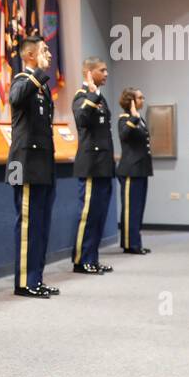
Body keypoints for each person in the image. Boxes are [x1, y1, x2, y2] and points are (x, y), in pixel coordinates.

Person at [6, 37, 58, 298]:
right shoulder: (22, 80)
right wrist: (38, 73)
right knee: (28, 223)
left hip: (44, 163)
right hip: (25, 164)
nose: (49, 53)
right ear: (28, 55)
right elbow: (16, 98)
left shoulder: (41, 86)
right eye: (44, 50)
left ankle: (36, 277)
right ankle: (25, 282)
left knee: (41, 224)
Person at [70, 57, 115, 275]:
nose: (106, 74)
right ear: (89, 72)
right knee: (87, 215)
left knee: (99, 215)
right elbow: (81, 119)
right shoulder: (82, 96)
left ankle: (93, 257)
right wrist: (92, 94)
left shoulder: (100, 99)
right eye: (102, 70)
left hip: (103, 165)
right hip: (90, 164)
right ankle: (81, 260)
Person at [116, 88, 152, 254]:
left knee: (138, 208)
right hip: (130, 169)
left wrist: (136, 117)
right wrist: (133, 117)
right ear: (130, 101)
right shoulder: (125, 119)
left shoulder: (139, 118)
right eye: (139, 97)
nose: (142, 100)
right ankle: (131, 244)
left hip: (141, 168)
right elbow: (124, 135)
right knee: (131, 208)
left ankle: (134, 241)